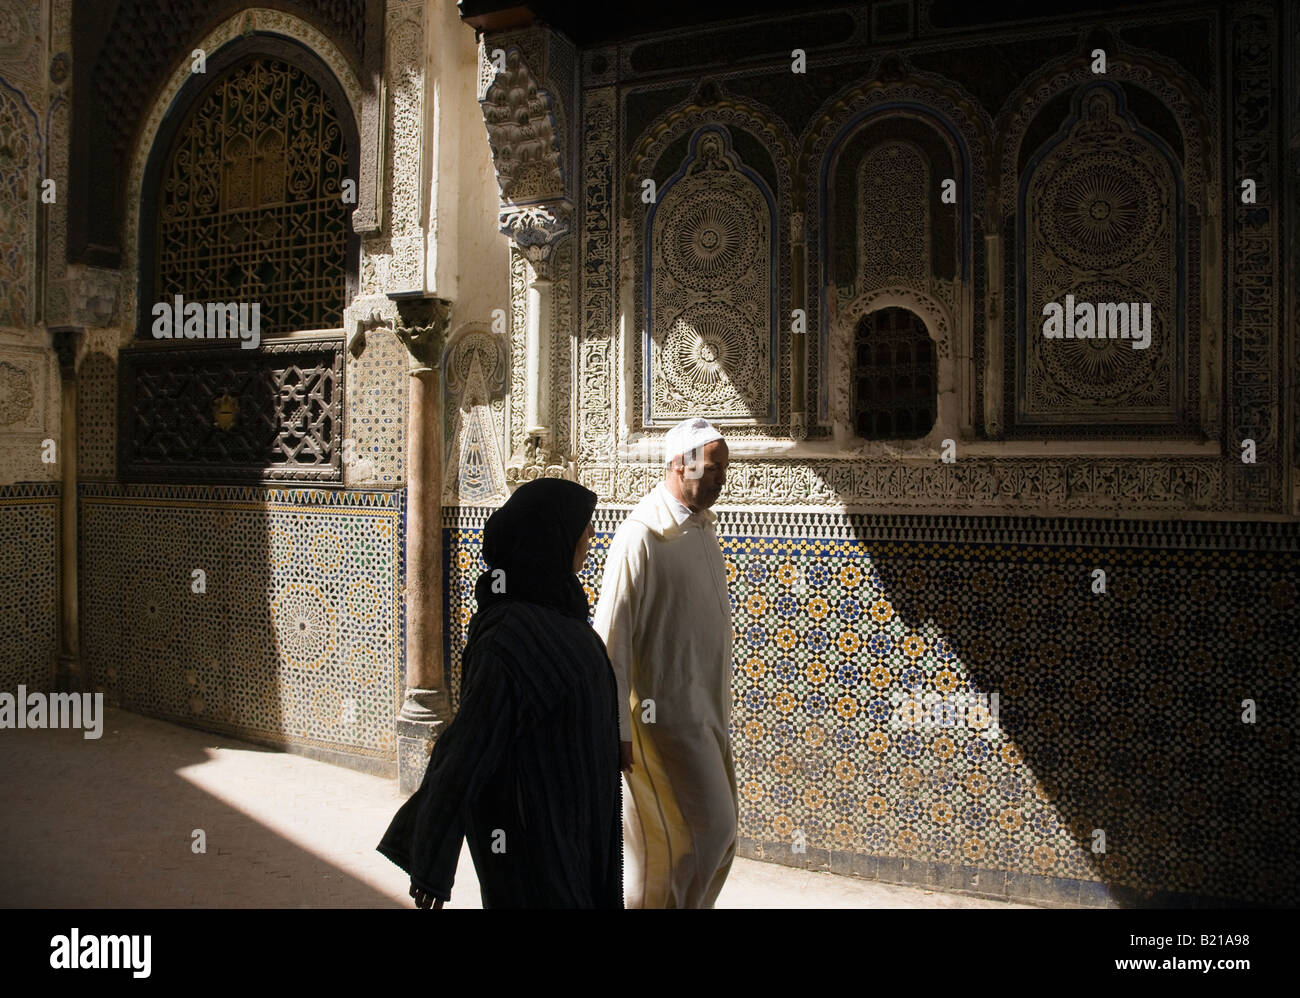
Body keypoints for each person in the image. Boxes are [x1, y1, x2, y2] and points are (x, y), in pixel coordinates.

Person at [377, 478, 623, 908]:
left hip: (581, 826)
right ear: (550, 534)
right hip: (533, 835)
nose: (590, 536)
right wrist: (432, 858)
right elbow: (469, 745)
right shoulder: (507, 637)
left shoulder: (559, 606)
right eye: (582, 526)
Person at [592, 416, 737, 908]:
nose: (721, 478)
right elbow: (611, 641)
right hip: (662, 723)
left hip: (707, 715)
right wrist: (617, 730)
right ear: (679, 464)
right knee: (709, 831)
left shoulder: (699, 529)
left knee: (684, 844)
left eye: (723, 468)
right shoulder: (641, 537)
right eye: (713, 468)